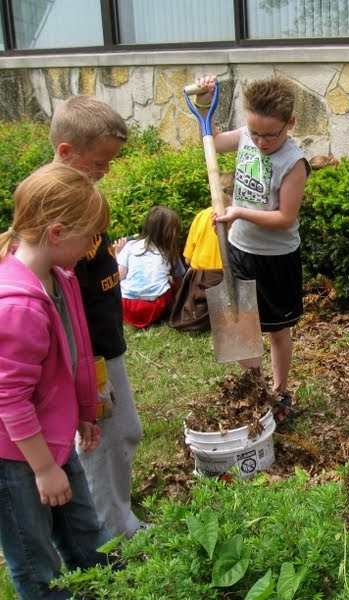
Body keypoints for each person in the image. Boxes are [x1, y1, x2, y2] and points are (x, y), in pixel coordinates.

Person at [0, 163, 112, 600]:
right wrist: (44, 469)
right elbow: (9, 400)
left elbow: (74, 353)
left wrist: (83, 412)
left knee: (85, 531)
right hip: (16, 457)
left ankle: (107, 588)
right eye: (90, 238)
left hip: (54, 439)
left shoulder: (61, 278)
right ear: (58, 233)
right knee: (35, 558)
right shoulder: (18, 307)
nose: (92, 249)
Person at [50, 95, 145, 538]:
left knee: (124, 431)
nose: (106, 169)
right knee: (102, 440)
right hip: (89, 354)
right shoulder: (59, 209)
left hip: (106, 343)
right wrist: (83, 365)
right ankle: (113, 536)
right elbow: (61, 295)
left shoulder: (81, 195)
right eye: (100, 161)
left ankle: (118, 513)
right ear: (67, 152)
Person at [191, 75, 311, 425]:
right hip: (239, 249)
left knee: (277, 329)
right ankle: (256, 389)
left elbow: (285, 218)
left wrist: (238, 212)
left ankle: (280, 389)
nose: (260, 141)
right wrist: (204, 103)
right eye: (254, 133)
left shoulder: (294, 162)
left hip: (276, 259)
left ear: (290, 123)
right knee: (240, 326)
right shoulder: (247, 135)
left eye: (269, 135)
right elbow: (212, 141)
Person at [169, 173, 232, 333]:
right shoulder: (240, 217)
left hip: (198, 283)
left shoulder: (201, 216)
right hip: (225, 280)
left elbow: (187, 260)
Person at [117, 206, 185, 328]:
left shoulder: (130, 246)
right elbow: (179, 283)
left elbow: (119, 277)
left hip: (126, 306)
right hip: (154, 308)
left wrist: (118, 254)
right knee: (172, 281)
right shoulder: (170, 252)